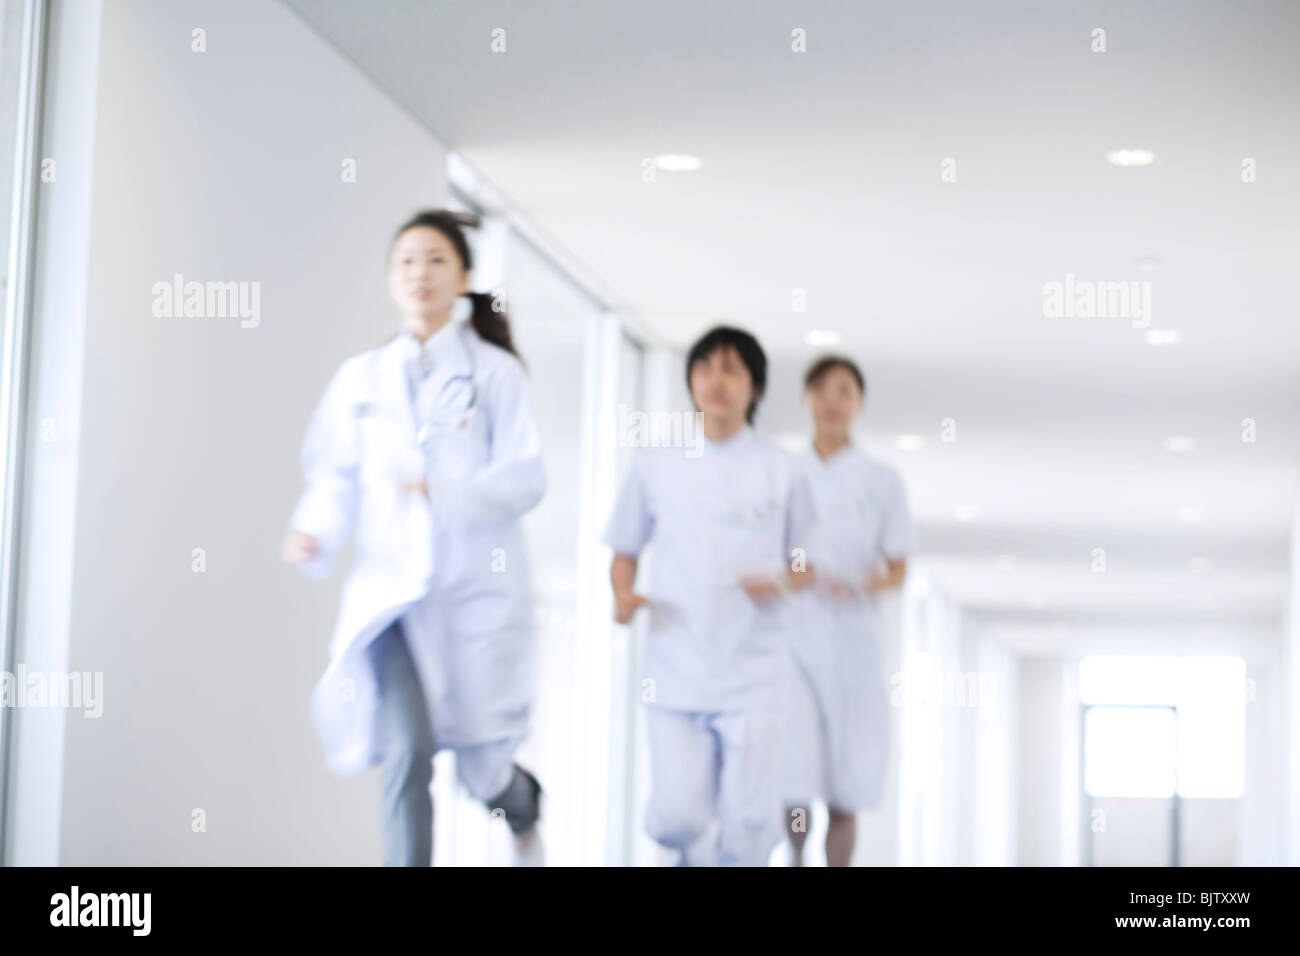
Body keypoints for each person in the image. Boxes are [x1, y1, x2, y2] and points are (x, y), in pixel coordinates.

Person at [282, 209, 546, 866]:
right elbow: (333, 476)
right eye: (405, 261)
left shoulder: (496, 374)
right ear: (390, 279)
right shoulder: (359, 379)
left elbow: (526, 480)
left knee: (485, 771)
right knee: (408, 750)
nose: (419, 274)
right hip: (393, 595)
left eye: (435, 260)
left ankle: (524, 806)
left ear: (463, 277)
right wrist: (313, 531)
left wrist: (447, 491)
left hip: (473, 594)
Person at [604, 325, 818, 866]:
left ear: (755, 388)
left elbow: (804, 561)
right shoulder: (657, 464)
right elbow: (625, 546)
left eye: (731, 370)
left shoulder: (782, 469)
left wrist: (781, 580)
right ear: (691, 380)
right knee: (678, 816)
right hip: (676, 667)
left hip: (754, 673)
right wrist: (623, 596)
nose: (715, 381)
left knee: (748, 828)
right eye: (705, 368)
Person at [783, 355, 914, 867]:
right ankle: (793, 858)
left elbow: (898, 567)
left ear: (858, 403)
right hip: (793, 638)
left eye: (842, 392)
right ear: (806, 402)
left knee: (846, 778)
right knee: (794, 772)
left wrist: (858, 584)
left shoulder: (882, 480)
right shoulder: (785, 473)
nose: (830, 403)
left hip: (854, 641)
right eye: (820, 391)